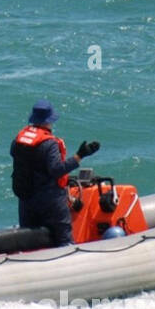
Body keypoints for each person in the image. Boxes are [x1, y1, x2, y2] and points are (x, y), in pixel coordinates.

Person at [10, 99, 100, 246]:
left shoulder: (18, 140)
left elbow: (15, 155)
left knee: (28, 239)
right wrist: (79, 155)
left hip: (25, 198)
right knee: (64, 238)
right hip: (50, 200)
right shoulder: (49, 143)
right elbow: (57, 170)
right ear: (49, 120)